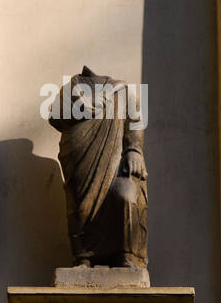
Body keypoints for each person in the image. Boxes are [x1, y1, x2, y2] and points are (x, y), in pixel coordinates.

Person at [47, 67, 148, 269]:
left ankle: (127, 255)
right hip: (78, 156)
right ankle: (83, 257)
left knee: (126, 196)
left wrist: (134, 150)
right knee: (80, 206)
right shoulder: (71, 89)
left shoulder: (122, 90)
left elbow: (135, 122)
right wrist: (80, 105)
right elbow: (55, 118)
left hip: (116, 161)